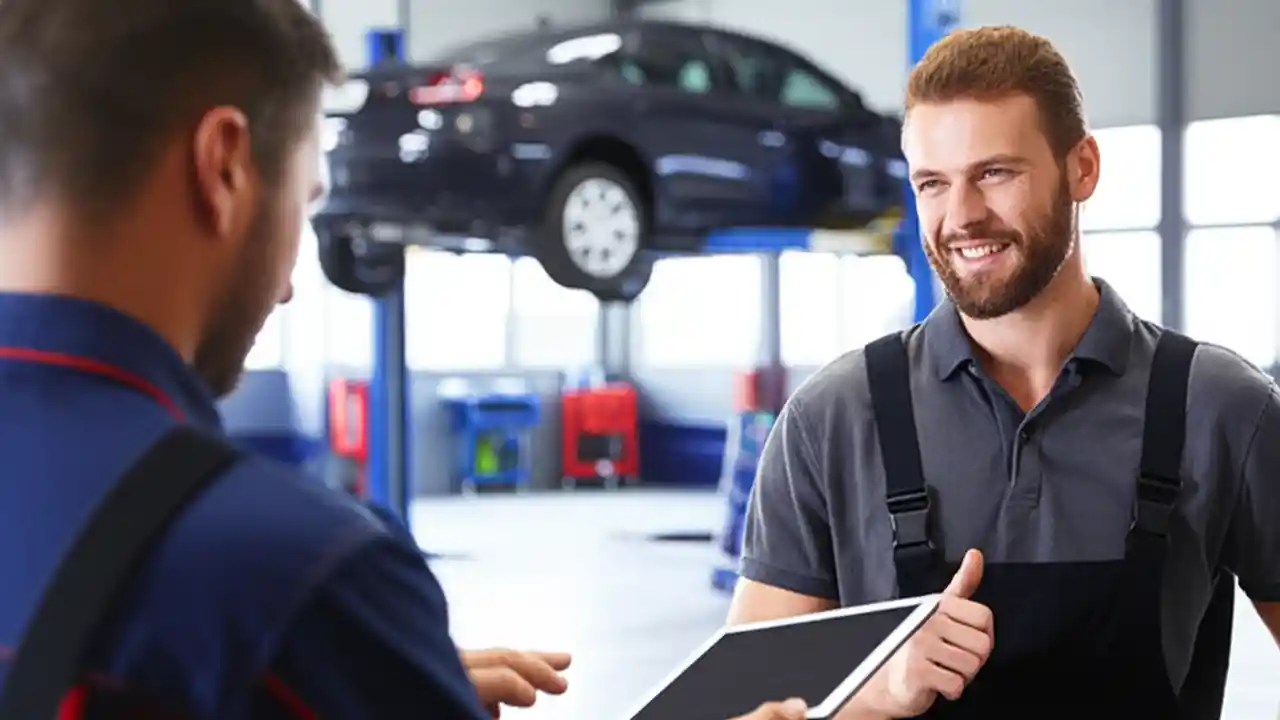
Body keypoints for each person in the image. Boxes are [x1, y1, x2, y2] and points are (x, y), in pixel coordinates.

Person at [0, 2, 809, 719]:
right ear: (224, 167)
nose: (287, 286)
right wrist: (338, 649)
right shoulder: (293, 574)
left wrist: (361, 680)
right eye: (304, 202)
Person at [728, 25, 1280, 720]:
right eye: (933, 183)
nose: (962, 217)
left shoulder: (1224, 409)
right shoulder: (833, 419)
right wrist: (878, 687)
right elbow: (743, 707)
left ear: (1082, 167)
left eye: (995, 173)